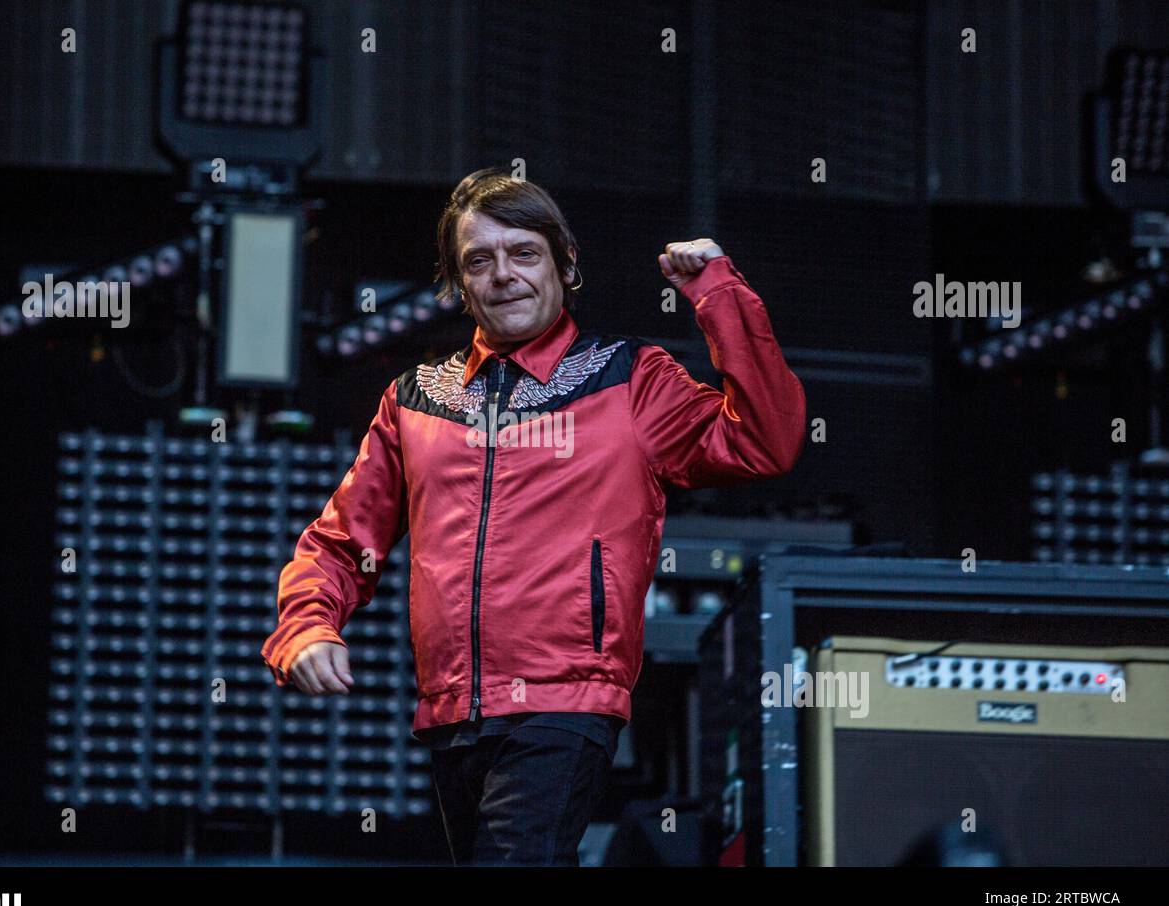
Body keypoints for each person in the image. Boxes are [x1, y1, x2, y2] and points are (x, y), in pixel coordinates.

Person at [261, 167, 807, 865]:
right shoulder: (415, 400)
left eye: (524, 253)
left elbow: (766, 440)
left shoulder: (629, 378)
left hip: (564, 705)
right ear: (458, 284)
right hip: (452, 716)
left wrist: (720, 296)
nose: (503, 276)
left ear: (565, 265)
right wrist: (306, 626)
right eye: (478, 261)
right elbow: (341, 542)